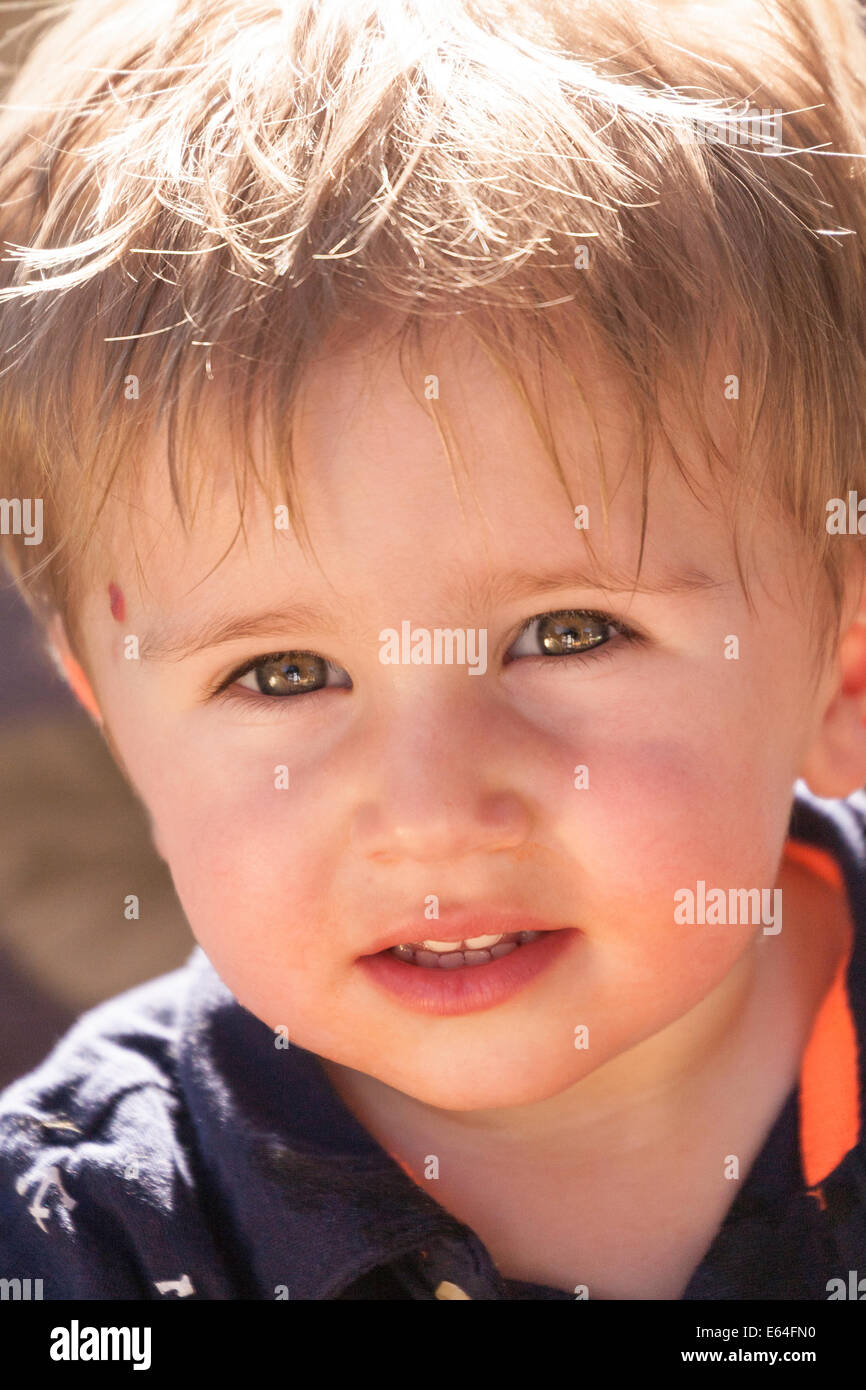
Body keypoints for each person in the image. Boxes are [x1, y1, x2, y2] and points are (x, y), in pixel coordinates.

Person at [0, 0, 865, 1300]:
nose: (429, 815)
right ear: (120, 730)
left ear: (844, 666)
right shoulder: (82, 1242)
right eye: (282, 671)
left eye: (565, 634)